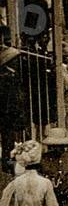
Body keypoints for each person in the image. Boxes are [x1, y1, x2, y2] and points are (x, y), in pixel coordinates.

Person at [0, 46, 28, 174]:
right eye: (16, 59)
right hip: (9, 117)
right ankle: (8, 163)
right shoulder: (6, 78)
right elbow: (9, 100)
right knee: (9, 140)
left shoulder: (12, 75)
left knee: (11, 140)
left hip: (11, 116)